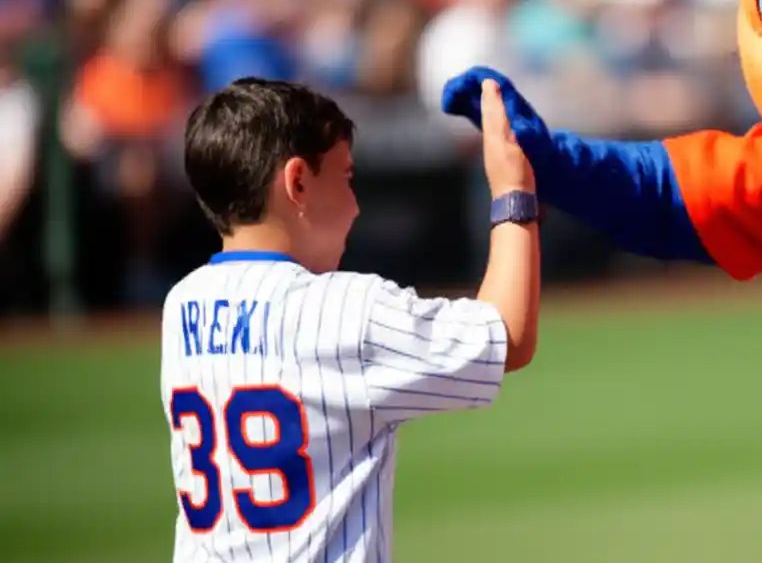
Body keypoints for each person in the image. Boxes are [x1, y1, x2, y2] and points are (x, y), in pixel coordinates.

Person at [160, 76, 540, 562]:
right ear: (297, 181)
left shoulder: (182, 305)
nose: (357, 205)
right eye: (344, 177)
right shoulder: (345, 311)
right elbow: (507, 337)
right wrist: (513, 191)